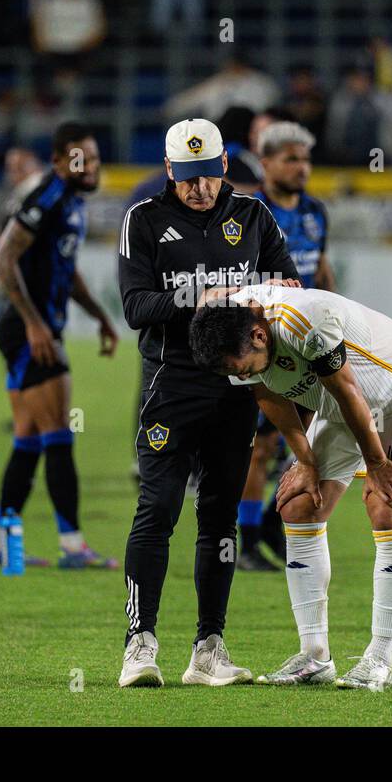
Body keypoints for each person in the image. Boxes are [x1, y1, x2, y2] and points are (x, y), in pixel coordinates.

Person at [188, 282, 392, 691]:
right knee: (299, 503)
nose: (244, 374)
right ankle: (314, 656)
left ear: (259, 334)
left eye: (247, 366)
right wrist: (304, 461)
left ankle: (379, 659)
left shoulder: (306, 320)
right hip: (343, 405)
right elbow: (266, 392)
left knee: (386, 507)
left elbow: (347, 388)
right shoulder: (229, 334)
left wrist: (377, 463)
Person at [116, 117, 298, 688]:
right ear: (170, 172)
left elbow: (289, 284)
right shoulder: (143, 221)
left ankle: (208, 649)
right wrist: (204, 298)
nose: (199, 189)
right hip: (171, 384)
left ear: (224, 166)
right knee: (160, 508)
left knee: (220, 516)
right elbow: (136, 307)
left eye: (208, 177)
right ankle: (139, 645)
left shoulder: (252, 216)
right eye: (187, 178)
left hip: (236, 387)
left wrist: (265, 297)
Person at [0, 123, 120, 569]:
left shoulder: (71, 203)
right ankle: (73, 545)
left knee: (29, 438)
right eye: (82, 159)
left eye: (95, 158)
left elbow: (67, 269)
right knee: (59, 433)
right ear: (60, 161)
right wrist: (35, 325)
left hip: (35, 327)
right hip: (29, 331)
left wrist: (99, 315)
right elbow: (1, 258)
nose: (91, 167)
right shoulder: (47, 196)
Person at [238, 121, 335, 571]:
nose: (302, 168)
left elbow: (323, 268)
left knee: (298, 441)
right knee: (258, 446)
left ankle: (278, 531)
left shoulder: (316, 211)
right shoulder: (249, 212)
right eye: (292, 159)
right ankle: (247, 542)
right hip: (267, 346)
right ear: (266, 162)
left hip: (311, 344)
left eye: (306, 159)